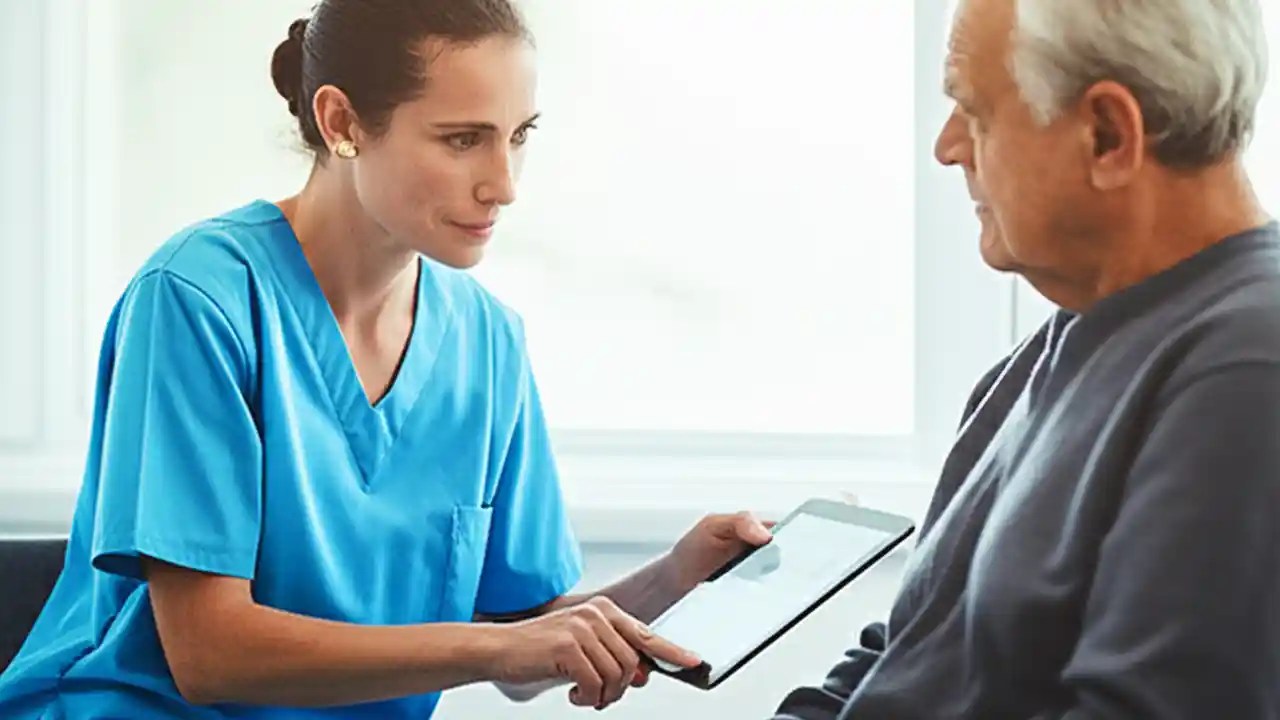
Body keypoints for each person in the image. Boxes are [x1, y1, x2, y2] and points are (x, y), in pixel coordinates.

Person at [0, 1, 773, 718]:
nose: (503, 184)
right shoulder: (199, 300)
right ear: (342, 121)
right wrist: (500, 645)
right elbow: (210, 653)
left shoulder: (488, 342)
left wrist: (674, 576)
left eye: (520, 135)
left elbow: (519, 646)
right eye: (462, 138)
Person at [773, 0, 1280, 717]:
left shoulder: (1249, 370)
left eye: (975, 113)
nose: (947, 147)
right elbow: (904, 654)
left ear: (1108, 135)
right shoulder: (1055, 344)